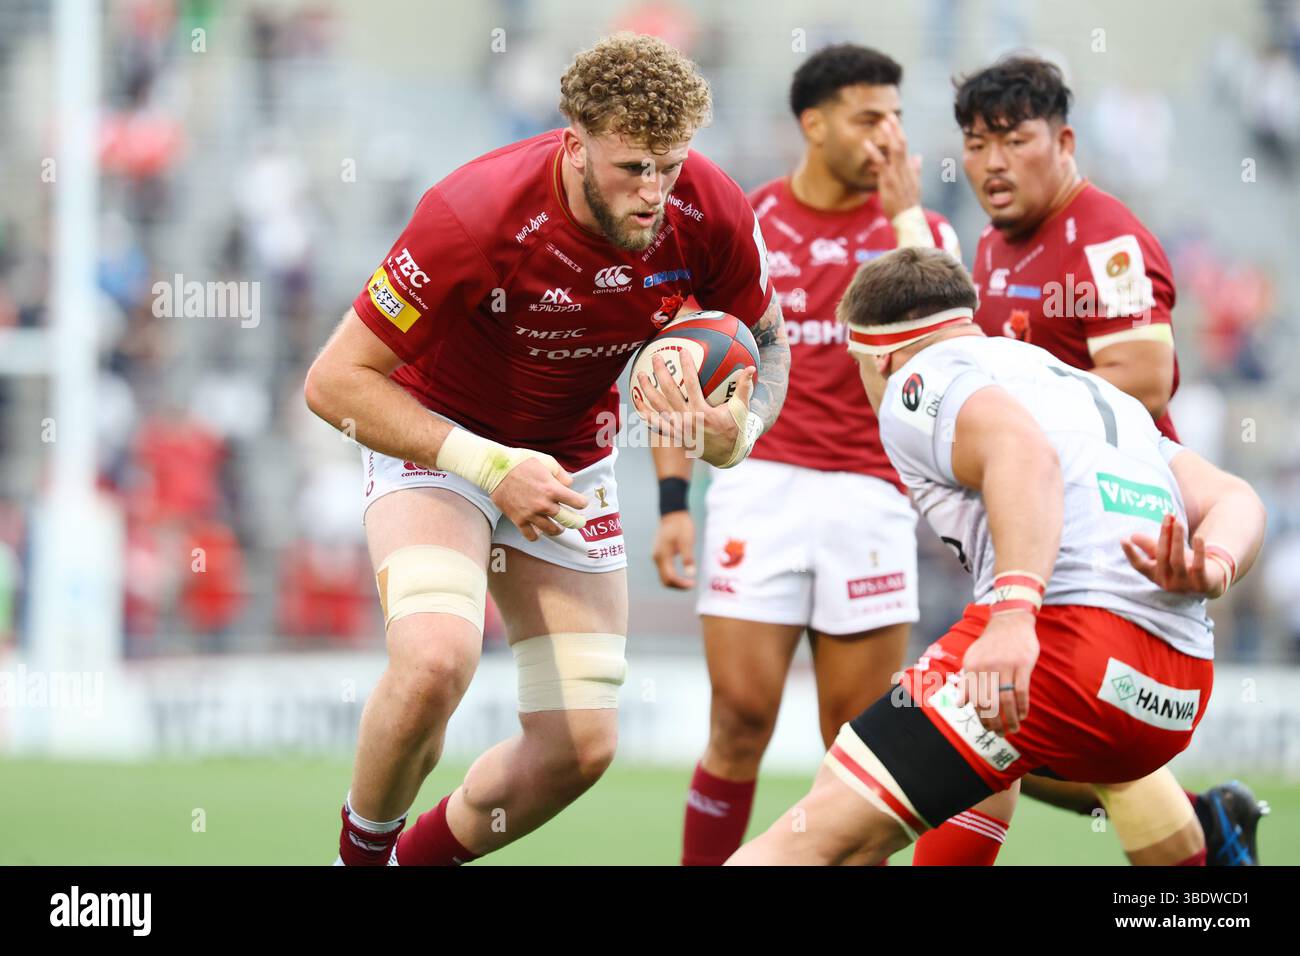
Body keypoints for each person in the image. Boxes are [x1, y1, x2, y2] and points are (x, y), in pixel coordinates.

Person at [304, 32, 790, 866]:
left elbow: (770, 344)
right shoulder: (475, 213)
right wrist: (490, 465)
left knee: (580, 746)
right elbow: (334, 382)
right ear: (574, 145)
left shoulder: (709, 208)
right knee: (433, 663)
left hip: (571, 458)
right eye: (631, 168)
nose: (654, 193)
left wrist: (735, 432)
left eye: (669, 167)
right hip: (438, 438)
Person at [728, 247, 1266, 866]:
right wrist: (1217, 563)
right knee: (971, 729)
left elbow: (1022, 453)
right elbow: (1234, 495)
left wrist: (1013, 615)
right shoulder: (1093, 393)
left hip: (1070, 645)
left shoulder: (920, 376)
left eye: (858, 364)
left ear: (881, 355)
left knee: (815, 839)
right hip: (1177, 689)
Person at [942, 53, 1267, 865]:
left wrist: (1008, 430)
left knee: (968, 715)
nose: (990, 162)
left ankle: (1210, 842)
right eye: (975, 144)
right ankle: (1212, 848)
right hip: (1049, 524)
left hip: (1113, 537)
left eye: (1012, 140)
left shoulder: (1105, 237)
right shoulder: (993, 247)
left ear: (1064, 141)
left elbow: (1145, 374)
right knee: (1049, 743)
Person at [649, 44, 959, 866]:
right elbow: (682, 364)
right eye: (868, 118)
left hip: (873, 496)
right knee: (739, 721)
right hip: (760, 485)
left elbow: (960, 365)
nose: (889, 137)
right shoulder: (745, 221)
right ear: (813, 124)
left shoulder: (922, 233)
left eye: (896, 116)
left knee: (854, 744)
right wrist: (674, 502)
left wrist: (906, 220)